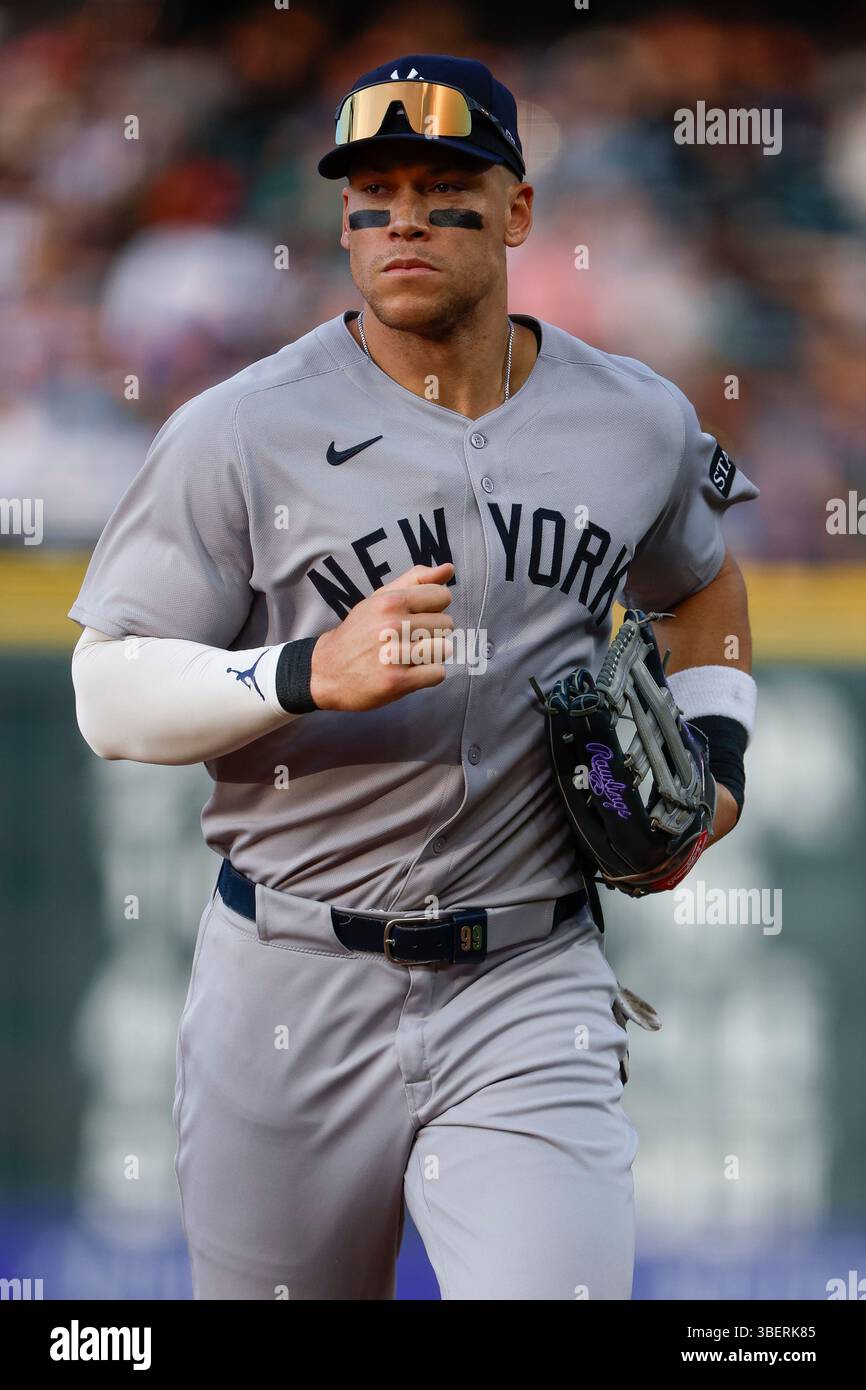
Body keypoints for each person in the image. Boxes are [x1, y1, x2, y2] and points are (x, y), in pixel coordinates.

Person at [69, 54, 758, 1300]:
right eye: (370, 192)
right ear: (339, 220)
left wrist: (717, 760)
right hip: (289, 970)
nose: (399, 218)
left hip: (526, 971)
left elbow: (700, 581)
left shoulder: (634, 419)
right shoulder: (238, 429)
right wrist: (300, 671)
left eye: (440, 187)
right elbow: (106, 693)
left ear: (517, 210)